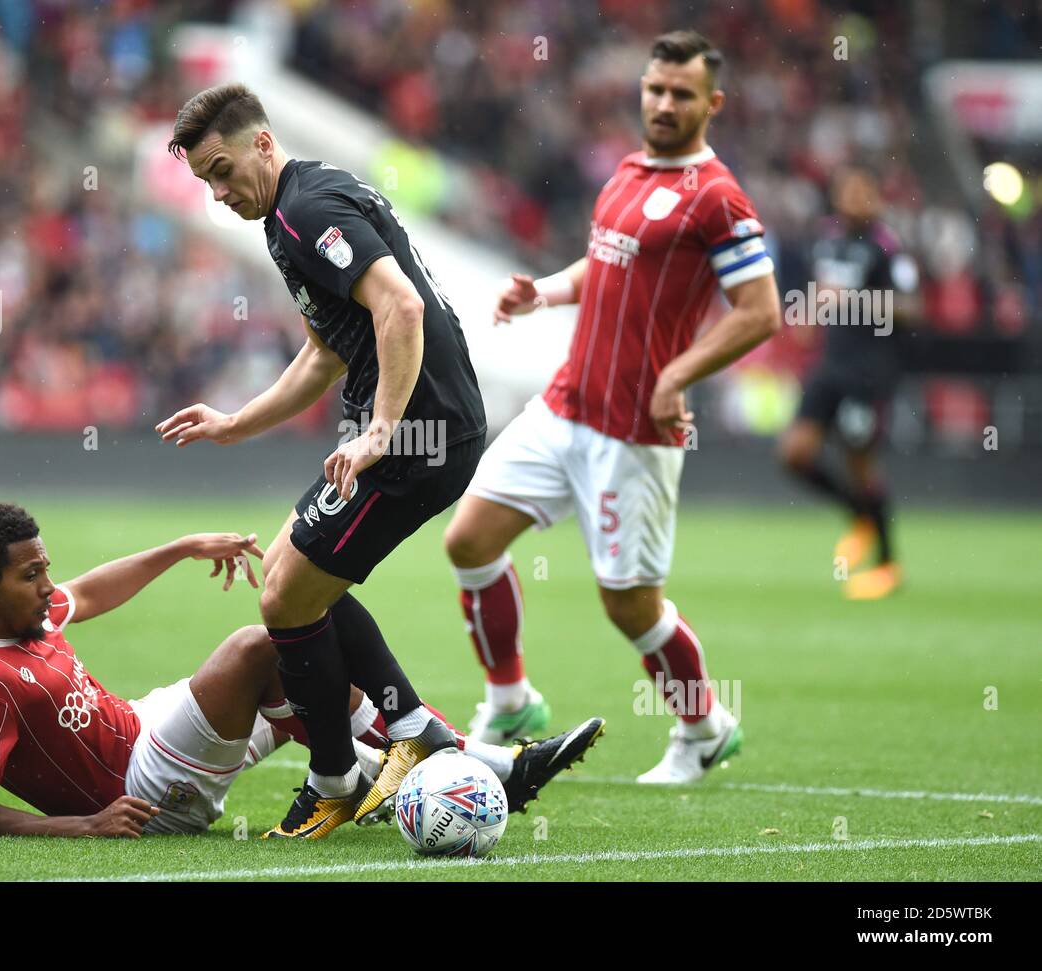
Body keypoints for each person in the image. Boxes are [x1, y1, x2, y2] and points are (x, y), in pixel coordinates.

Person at [441, 31, 782, 784]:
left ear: (712, 103)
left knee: (629, 604)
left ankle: (704, 725)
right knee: (467, 540)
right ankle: (511, 698)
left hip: (634, 431)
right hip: (565, 404)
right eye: (656, 89)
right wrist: (545, 292)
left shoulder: (719, 199)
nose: (664, 103)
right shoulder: (627, 171)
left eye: (682, 94)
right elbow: (606, 263)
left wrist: (677, 376)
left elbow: (760, 311)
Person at [158, 82, 497, 837]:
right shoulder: (293, 210)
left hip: (417, 434)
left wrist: (379, 431)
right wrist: (237, 422)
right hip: (415, 425)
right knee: (288, 572)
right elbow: (326, 350)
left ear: (262, 144)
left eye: (221, 169)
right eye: (204, 181)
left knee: (285, 600)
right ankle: (411, 725)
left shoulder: (304, 211)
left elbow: (400, 307)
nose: (217, 193)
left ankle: (337, 775)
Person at [0, 502, 601, 838]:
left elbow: (88, 593)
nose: (47, 585)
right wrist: (88, 825)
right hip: (139, 785)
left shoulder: (20, 612)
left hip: (142, 725)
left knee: (312, 658)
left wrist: (181, 547)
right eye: (32, 574)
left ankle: (454, 768)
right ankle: (382, 768)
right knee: (260, 643)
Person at [777, 163, 920, 600]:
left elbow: (912, 309)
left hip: (869, 370)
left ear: (876, 195)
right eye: (847, 189)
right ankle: (859, 515)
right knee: (794, 454)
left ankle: (888, 565)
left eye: (863, 189)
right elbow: (820, 294)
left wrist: (856, 300)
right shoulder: (827, 240)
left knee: (859, 463)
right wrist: (810, 313)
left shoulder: (886, 247)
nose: (854, 197)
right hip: (830, 365)